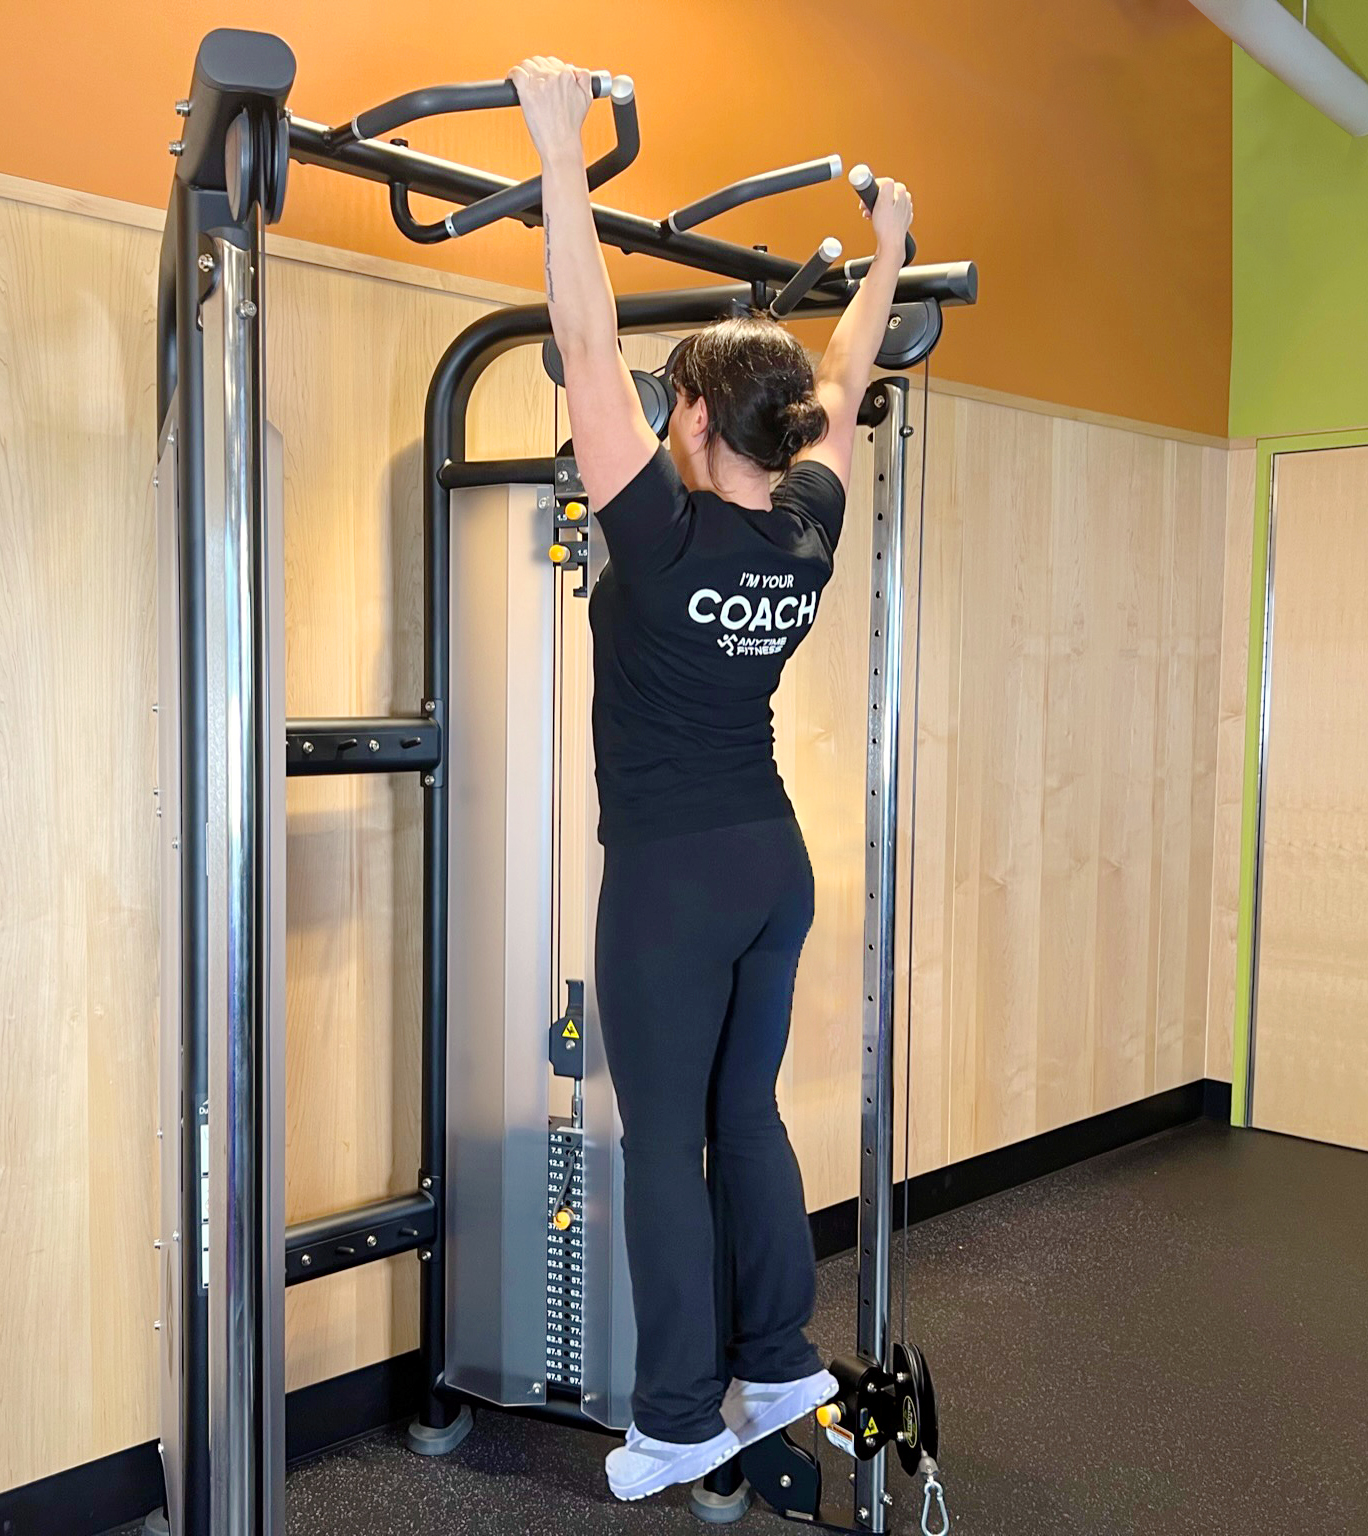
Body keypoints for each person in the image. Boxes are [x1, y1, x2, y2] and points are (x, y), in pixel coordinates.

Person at [511, 56, 915, 1503]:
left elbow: (579, 322)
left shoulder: (663, 536)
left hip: (676, 883)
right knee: (746, 1120)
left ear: (689, 425)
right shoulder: (805, 523)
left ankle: (681, 1416)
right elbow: (851, 371)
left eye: (670, 400)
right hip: (770, 867)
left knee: (663, 1145)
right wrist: (886, 249)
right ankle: (781, 1353)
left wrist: (560, 141)